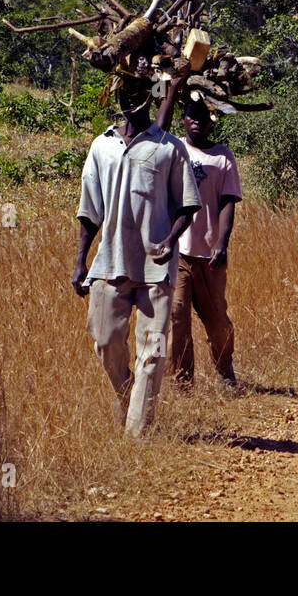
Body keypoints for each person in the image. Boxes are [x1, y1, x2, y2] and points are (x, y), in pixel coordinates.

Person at [72, 74, 202, 438]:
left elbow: (187, 205)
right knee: (104, 338)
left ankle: (137, 436)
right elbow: (89, 211)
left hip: (156, 267)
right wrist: (80, 261)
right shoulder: (102, 146)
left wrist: (170, 241)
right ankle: (130, 398)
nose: (129, 100)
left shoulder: (169, 147)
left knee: (153, 352)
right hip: (109, 262)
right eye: (123, 93)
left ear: (150, 96)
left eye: (137, 94)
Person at [156, 77, 242, 389]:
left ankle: (225, 372)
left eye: (202, 117)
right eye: (191, 115)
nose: (196, 121)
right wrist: (171, 89)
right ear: (184, 118)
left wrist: (222, 243)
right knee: (177, 317)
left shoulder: (223, 156)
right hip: (178, 250)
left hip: (209, 254)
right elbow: (156, 133)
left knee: (217, 318)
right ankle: (182, 383)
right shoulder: (175, 149)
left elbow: (228, 201)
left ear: (211, 122)